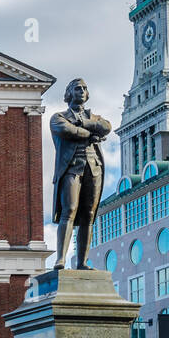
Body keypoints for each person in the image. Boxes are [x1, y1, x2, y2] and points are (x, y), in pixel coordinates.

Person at [50, 78, 111, 269]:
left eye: (85, 88)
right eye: (78, 88)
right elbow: (67, 130)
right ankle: (60, 259)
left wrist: (86, 123)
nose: (82, 91)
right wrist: (89, 133)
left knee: (89, 214)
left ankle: (82, 262)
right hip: (71, 168)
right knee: (69, 210)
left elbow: (107, 127)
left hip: (94, 167)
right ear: (69, 93)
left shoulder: (94, 117)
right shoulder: (58, 117)